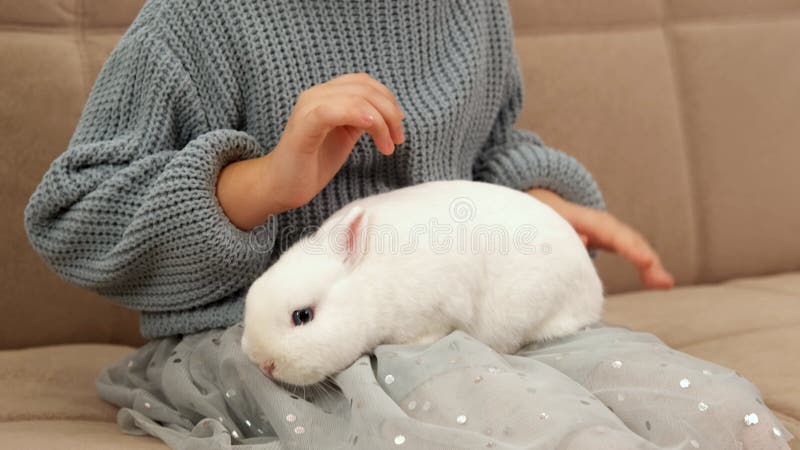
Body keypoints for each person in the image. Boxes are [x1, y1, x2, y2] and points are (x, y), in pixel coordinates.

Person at [23, 0, 792, 448]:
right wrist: (262, 182)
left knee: (725, 416)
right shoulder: (197, 23)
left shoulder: (467, 11)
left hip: (454, 310)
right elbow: (72, 217)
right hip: (268, 339)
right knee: (546, 432)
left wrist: (534, 208)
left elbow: (487, 148)